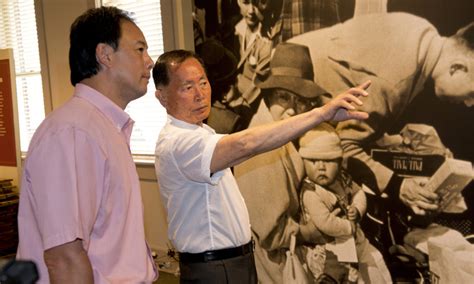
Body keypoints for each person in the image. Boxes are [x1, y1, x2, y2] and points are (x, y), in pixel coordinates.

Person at [152, 48, 371, 283]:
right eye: (187, 87)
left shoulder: (201, 132)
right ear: (162, 96)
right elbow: (248, 143)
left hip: (232, 264)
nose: (200, 94)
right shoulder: (180, 142)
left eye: (203, 83)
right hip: (217, 268)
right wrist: (319, 115)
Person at [16, 7, 157, 284]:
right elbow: (64, 258)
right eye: (140, 49)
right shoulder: (72, 132)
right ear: (104, 55)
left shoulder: (104, 128)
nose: (149, 61)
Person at [289, 12, 474, 216]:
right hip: (284, 106)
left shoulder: (422, 31)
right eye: (472, 93)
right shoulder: (397, 80)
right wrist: (399, 186)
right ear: (457, 68)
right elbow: (343, 147)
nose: (469, 103)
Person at [233, 42, 337, 283]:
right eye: (284, 97)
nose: (292, 110)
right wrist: (308, 232)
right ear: (269, 96)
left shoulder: (277, 134)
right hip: (274, 265)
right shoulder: (262, 146)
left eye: (301, 100)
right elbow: (270, 233)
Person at [298, 123, 392, 283]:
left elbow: (358, 193)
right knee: (342, 276)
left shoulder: (342, 178)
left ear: (340, 162)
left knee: (374, 262)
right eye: (313, 161)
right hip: (329, 247)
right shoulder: (311, 192)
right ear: (304, 162)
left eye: (328, 161)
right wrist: (348, 227)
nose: (321, 167)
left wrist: (357, 208)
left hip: (353, 239)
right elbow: (324, 222)